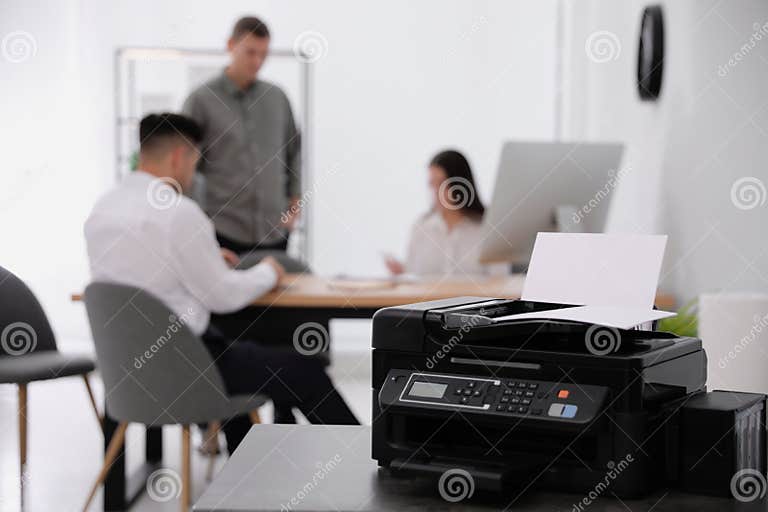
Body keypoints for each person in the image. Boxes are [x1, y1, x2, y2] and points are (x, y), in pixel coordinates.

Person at [84, 113, 358, 454]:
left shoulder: (103, 210)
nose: (193, 173)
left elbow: (146, 277)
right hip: (189, 369)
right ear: (179, 156)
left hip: (129, 373)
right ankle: (367, 465)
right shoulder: (179, 212)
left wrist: (208, 257)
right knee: (306, 371)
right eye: (194, 161)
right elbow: (223, 297)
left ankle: (243, 476)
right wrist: (270, 270)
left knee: (239, 349)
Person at [182, 15, 301, 255]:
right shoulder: (201, 100)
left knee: (276, 292)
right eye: (250, 52)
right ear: (230, 46)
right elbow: (186, 165)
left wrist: (295, 201)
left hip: (274, 231)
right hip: (222, 231)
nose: (257, 61)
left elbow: (294, 151)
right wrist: (195, 220)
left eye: (264, 54)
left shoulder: (278, 98)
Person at [385, 149, 507, 277]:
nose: (437, 192)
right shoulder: (421, 227)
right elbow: (412, 276)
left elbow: (500, 281)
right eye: (433, 184)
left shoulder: (489, 228)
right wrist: (401, 272)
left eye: (442, 183)